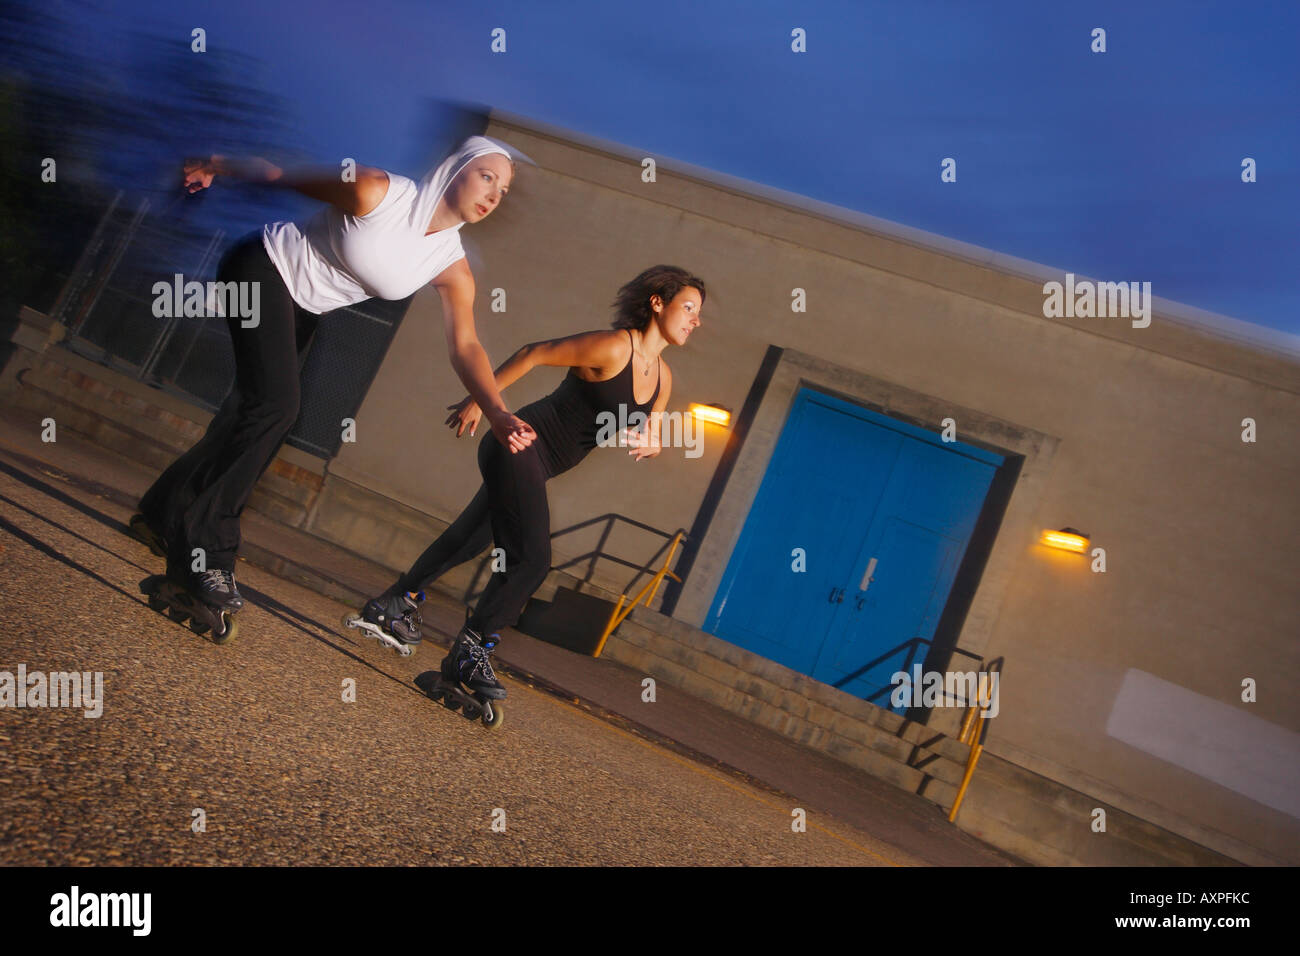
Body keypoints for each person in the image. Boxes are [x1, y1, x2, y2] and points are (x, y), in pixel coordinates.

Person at [131, 136, 537, 628]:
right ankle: (204, 559)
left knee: (249, 412)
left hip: (304, 307)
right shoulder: (376, 191)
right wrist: (215, 162)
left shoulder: (450, 265)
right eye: (487, 178)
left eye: (504, 190)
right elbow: (283, 174)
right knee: (276, 408)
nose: (495, 195)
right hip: (261, 267)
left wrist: (496, 409)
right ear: (455, 171)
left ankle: (160, 513)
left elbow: (466, 345)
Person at [348, 265, 706, 709]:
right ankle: (471, 650)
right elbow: (534, 352)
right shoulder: (614, 347)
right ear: (657, 303)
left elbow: (651, 420)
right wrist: (485, 404)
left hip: (540, 465)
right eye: (688, 308)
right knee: (533, 560)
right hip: (518, 443)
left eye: (698, 314)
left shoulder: (663, 378)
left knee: (469, 538)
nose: (695, 320)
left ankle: (394, 603)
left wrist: (653, 439)